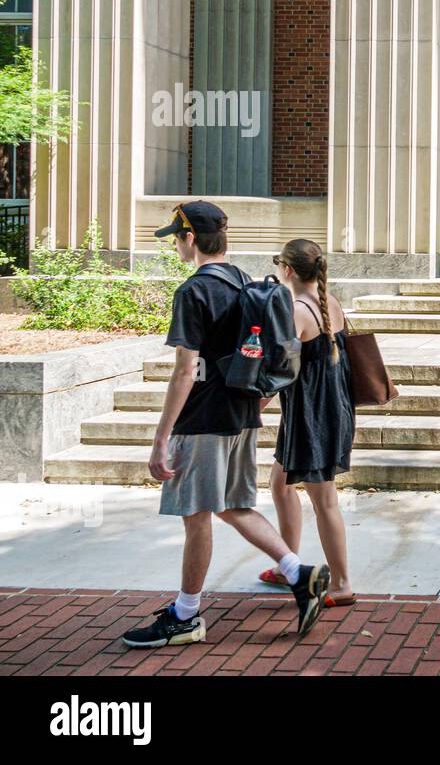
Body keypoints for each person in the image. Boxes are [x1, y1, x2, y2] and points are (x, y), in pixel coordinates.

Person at [123, 202, 330, 648]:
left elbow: (184, 370)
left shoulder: (193, 291)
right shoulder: (244, 282)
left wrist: (161, 439)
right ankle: (300, 573)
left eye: (176, 238)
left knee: (196, 516)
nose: (176, 246)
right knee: (232, 505)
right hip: (242, 414)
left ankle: (186, 614)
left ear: (190, 239)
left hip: (201, 419)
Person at [257, 238, 356, 608]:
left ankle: (343, 583)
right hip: (329, 411)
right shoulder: (329, 302)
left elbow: (278, 372)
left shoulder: (296, 310)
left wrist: (253, 408)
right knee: (280, 484)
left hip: (314, 419)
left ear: (288, 270)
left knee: (324, 500)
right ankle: (289, 565)